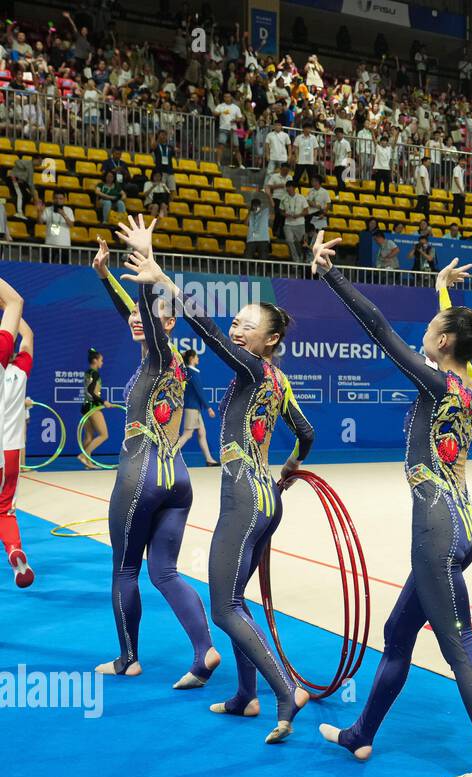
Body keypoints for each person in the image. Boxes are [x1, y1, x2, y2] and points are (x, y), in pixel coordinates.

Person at [312, 236, 472, 777]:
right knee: (398, 631)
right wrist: (442, 290)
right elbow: (441, 338)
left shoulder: (435, 379)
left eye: (433, 331)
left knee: (458, 645)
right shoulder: (467, 381)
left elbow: (380, 330)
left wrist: (332, 276)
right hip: (462, 520)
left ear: (444, 343)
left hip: (436, 526)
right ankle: (361, 733)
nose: (423, 336)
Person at [117, 219, 314, 743]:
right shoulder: (278, 379)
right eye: (239, 320)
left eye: (249, 325)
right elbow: (307, 431)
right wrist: (291, 466)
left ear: (269, 340)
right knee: (237, 599)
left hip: (244, 496)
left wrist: (162, 276)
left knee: (224, 605)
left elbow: (203, 329)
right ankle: (245, 696)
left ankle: (283, 692)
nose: (237, 328)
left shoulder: (252, 368)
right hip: (266, 493)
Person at [90, 230, 219, 686]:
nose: (135, 321)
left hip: (141, 472)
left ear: (168, 324)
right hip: (177, 478)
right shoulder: (168, 362)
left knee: (125, 568)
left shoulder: (161, 358)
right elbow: (135, 313)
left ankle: (128, 658)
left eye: (148, 316)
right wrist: (107, 275)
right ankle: (204, 652)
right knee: (164, 571)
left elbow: (143, 310)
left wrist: (147, 267)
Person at [0, 277, 34, 588]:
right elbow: (27, 332)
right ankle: (14, 549)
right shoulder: (18, 372)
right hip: (7, 453)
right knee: (4, 511)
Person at [174, 349, 218, 465]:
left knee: (202, 433)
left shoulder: (189, 372)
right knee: (188, 434)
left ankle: (209, 460)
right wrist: (208, 407)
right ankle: (169, 454)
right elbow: (200, 392)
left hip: (195, 408)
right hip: (192, 408)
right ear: (192, 358)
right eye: (197, 357)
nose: (199, 359)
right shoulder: (192, 373)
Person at [79, 346, 113, 468]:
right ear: (95, 361)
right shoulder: (95, 374)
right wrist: (104, 401)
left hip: (85, 406)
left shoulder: (88, 372)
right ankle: (84, 456)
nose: (102, 363)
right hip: (93, 406)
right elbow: (91, 391)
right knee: (104, 435)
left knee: (89, 435)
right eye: (101, 360)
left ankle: (87, 463)